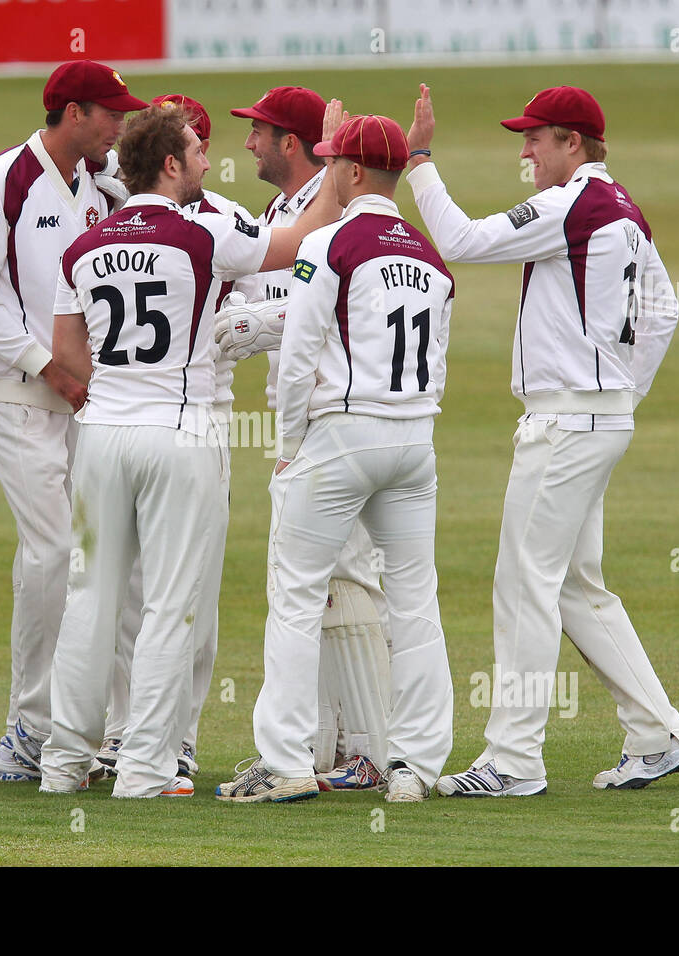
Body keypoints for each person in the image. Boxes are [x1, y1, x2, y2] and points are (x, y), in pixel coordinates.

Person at [405, 84, 679, 796]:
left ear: (573, 142)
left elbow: (461, 241)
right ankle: (659, 733)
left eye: (536, 137)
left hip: (566, 422)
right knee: (572, 585)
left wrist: (418, 158)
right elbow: (665, 310)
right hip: (596, 418)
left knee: (524, 584)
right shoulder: (624, 208)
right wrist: (624, 394)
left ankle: (513, 761)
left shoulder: (573, 204)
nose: (525, 150)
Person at [40, 104, 339, 798]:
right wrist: (331, 165)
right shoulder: (202, 233)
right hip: (182, 432)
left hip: (103, 434)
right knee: (173, 604)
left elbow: (65, 353)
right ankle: (145, 767)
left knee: (91, 597)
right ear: (170, 164)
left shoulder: (84, 246)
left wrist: (116, 386)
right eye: (197, 151)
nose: (208, 160)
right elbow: (297, 242)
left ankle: (62, 765)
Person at [217, 114, 455, 804]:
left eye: (332, 164)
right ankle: (414, 765)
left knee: (294, 594)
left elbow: (298, 357)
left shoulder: (328, 242)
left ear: (351, 173)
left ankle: (288, 762)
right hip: (415, 439)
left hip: (344, 433)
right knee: (415, 601)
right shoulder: (431, 255)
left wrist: (290, 442)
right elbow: (436, 361)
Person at [0, 60, 149, 783]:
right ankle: (28, 731)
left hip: (80, 397)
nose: (119, 126)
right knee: (52, 552)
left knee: (99, 555)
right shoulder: (2, 181)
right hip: (14, 392)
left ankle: (96, 726)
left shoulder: (103, 186)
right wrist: (51, 367)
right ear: (73, 113)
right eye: (110, 113)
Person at [221, 86, 395, 790]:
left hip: (330, 418)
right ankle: (323, 748)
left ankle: (374, 752)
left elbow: (324, 299)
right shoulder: (279, 213)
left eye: (258, 132)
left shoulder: (348, 211)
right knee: (316, 588)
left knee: (347, 579)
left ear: (291, 143)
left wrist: (245, 327)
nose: (247, 144)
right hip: (302, 416)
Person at [92, 92, 258, 782]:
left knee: (187, 594)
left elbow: (274, 294)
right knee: (127, 593)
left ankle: (175, 738)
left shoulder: (228, 221)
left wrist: (238, 327)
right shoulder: (119, 213)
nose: (206, 158)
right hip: (164, 421)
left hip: (201, 415)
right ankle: (123, 734)